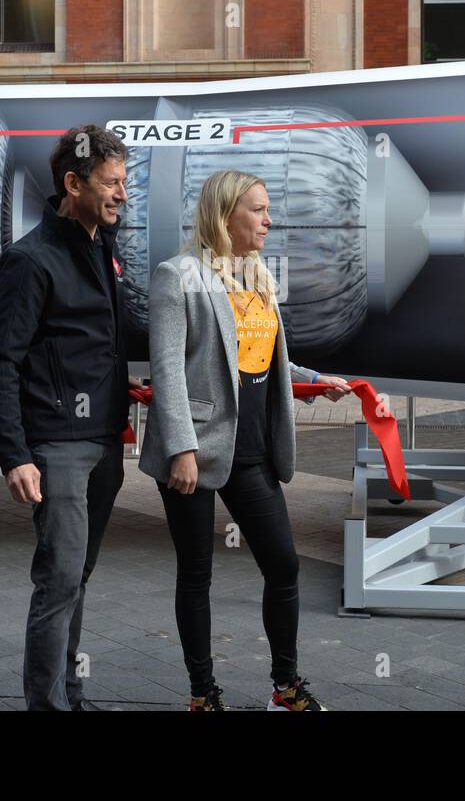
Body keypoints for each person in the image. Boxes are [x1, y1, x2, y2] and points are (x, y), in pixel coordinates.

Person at [140, 169, 351, 711]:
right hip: (196, 447)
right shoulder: (178, 274)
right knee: (197, 572)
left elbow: (263, 355)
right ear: (225, 213)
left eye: (267, 209)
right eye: (258, 210)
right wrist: (180, 450)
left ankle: (285, 685)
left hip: (253, 448)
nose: (268, 219)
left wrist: (311, 382)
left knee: (283, 565)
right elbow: (164, 369)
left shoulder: (257, 273)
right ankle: (203, 693)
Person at [0, 125, 133, 711]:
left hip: (104, 443)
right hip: (57, 448)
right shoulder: (28, 261)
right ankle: (48, 706)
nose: (122, 193)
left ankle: (68, 692)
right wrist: (15, 456)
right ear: (73, 183)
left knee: (78, 579)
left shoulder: (103, 246)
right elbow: (0, 364)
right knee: (60, 581)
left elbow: (90, 344)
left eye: (125, 182)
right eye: (111, 183)